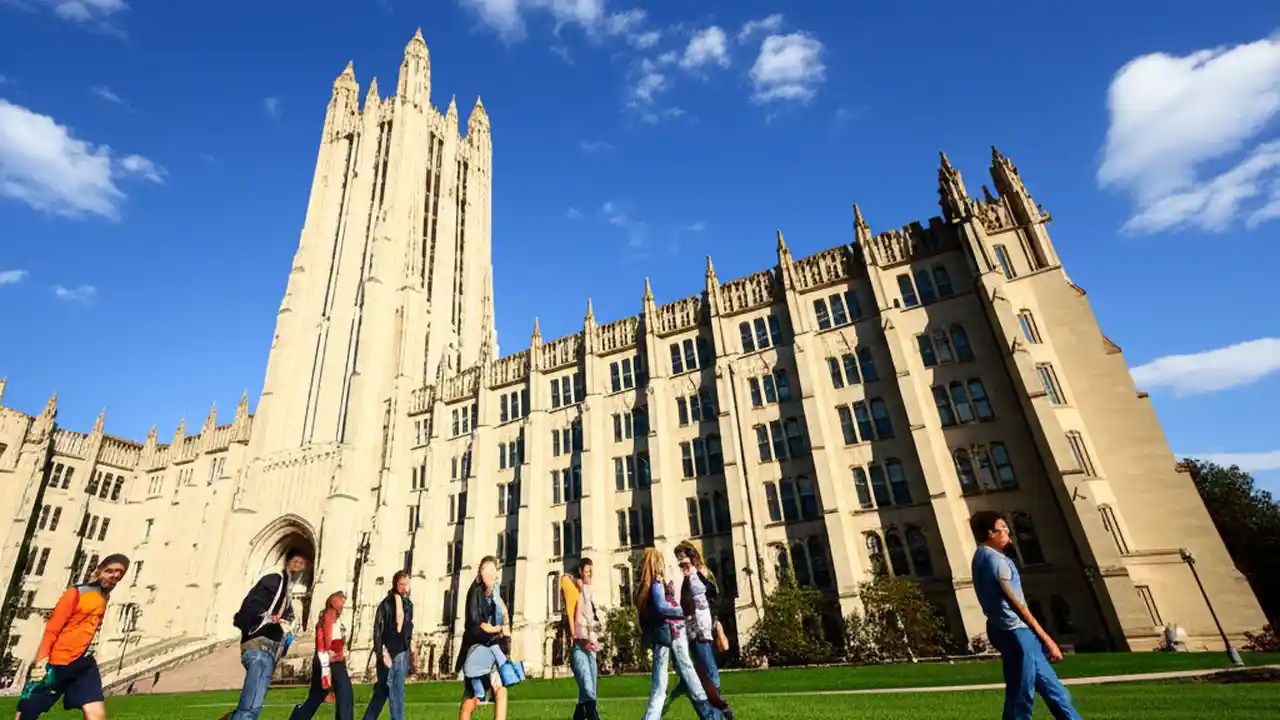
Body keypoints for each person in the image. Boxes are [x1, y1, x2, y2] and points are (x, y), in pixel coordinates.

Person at [970, 511, 1083, 720]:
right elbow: (1019, 607)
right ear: (989, 533)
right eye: (1002, 528)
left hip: (1006, 630)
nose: (1007, 532)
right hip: (1015, 631)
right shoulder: (996, 562)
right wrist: (1048, 640)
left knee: (1055, 691)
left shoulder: (981, 556)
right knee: (1021, 695)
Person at [16, 553, 129, 720]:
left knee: (96, 713)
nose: (114, 576)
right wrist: (41, 661)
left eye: (119, 574)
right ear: (99, 571)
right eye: (109, 571)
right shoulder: (76, 593)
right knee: (28, 712)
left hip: (83, 664)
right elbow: (52, 628)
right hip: (56, 663)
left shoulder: (104, 596)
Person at [634, 548, 719, 720]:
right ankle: (710, 715)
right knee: (688, 674)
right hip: (673, 632)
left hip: (662, 636)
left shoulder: (646, 586)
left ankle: (651, 717)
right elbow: (662, 607)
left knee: (660, 684)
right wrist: (681, 611)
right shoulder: (657, 583)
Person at [227, 549, 309, 720]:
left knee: (252, 705)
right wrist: (265, 619)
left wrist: (285, 623)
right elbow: (251, 606)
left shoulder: (287, 590)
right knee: (249, 709)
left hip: (270, 650)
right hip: (259, 647)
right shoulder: (274, 580)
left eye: (303, 564)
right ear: (288, 561)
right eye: (297, 561)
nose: (299, 566)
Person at [666, 543, 733, 720]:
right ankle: (718, 709)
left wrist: (715, 622)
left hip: (702, 628)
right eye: (679, 563)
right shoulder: (687, 578)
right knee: (702, 672)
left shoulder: (700, 573)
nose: (682, 566)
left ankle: (720, 709)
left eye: (684, 561)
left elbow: (712, 597)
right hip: (691, 630)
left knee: (709, 671)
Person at [456, 557, 509, 720]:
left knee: (499, 691)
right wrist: (501, 629)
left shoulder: (492, 594)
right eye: (490, 571)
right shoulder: (476, 592)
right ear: (482, 572)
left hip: (488, 649)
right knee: (472, 698)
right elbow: (479, 626)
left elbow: (504, 614)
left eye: (495, 571)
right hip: (476, 650)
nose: (494, 576)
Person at [288, 591, 353, 720]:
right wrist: (330, 651)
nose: (343, 605)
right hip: (332, 661)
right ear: (334, 602)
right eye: (342, 601)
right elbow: (328, 635)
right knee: (345, 693)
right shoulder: (330, 614)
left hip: (321, 660)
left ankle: (298, 717)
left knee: (316, 696)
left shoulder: (327, 616)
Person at [362, 571, 414, 720]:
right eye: (401, 584)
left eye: (406, 584)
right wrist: (382, 652)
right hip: (389, 652)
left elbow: (408, 627)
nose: (404, 587)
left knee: (383, 692)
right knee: (395, 693)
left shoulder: (408, 604)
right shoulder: (386, 604)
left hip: (402, 651)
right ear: (396, 584)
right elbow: (378, 630)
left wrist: (411, 647)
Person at [560, 559, 601, 720]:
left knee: (588, 694)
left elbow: (595, 615)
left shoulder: (588, 590)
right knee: (588, 692)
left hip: (591, 645)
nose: (589, 574)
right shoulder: (574, 588)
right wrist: (576, 635)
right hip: (580, 645)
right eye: (586, 571)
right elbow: (574, 616)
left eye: (591, 571)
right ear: (580, 570)